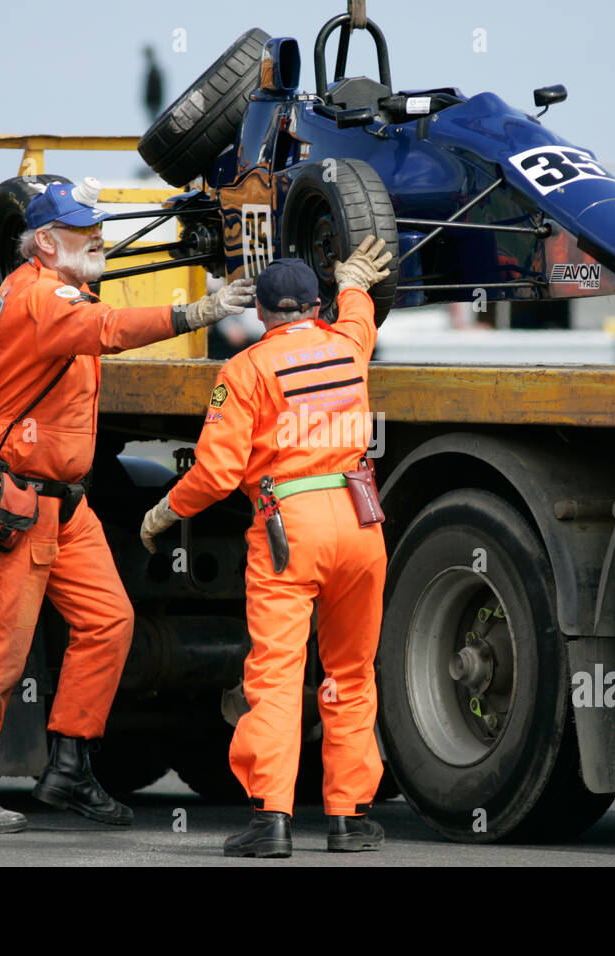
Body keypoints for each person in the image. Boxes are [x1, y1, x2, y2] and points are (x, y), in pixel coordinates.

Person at [0, 179, 255, 833]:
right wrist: (200, 312)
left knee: (108, 622)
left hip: (60, 503)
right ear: (46, 242)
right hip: (19, 500)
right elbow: (108, 329)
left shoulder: (54, 287)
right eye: (83, 231)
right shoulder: (42, 297)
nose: (98, 238)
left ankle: (70, 770)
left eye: (97, 226)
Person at [140, 238, 394, 858]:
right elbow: (359, 311)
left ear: (262, 314)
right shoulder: (347, 347)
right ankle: (350, 817)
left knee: (278, 678)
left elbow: (216, 474)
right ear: (314, 305)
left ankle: (271, 820)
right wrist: (354, 279)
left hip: (290, 527)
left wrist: (161, 513)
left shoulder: (246, 370)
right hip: (361, 523)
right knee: (351, 673)